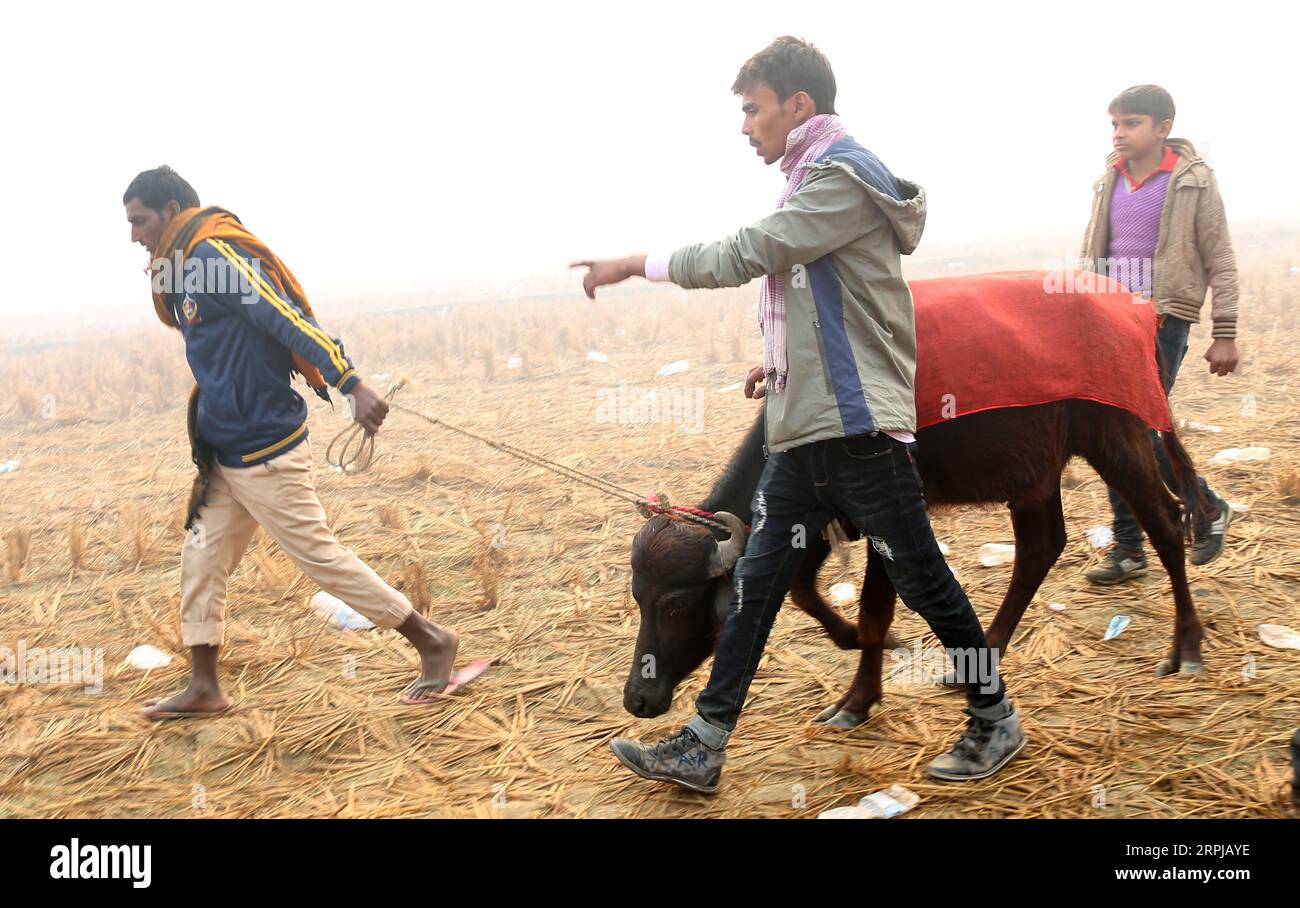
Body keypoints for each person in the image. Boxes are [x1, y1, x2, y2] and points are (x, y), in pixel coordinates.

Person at [573, 37, 1022, 793]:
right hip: (803, 433)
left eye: (753, 109)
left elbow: (755, 251)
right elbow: (826, 299)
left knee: (923, 579)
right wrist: (781, 365)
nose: (745, 126)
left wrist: (637, 265)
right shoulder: (813, 177)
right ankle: (704, 744)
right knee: (753, 585)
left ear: (798, 105)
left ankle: (994, 717)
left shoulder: (841, 178)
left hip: (855, 434)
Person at [123, 165, 469, 719]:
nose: (134, 234)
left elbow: (286, 318)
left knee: (319, 557)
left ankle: (431, 639)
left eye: (139, 221)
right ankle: (205, 687)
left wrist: (349, 382)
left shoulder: (213, 258)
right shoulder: (183, 267)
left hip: (266, 447)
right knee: (202, 558)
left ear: (169, 211)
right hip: (222, 452)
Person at [1079, 85, 1239, 585]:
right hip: (1108, 321)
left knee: (1139, 433)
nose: (1119, 133)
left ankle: (1206, 507)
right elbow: (1094, 247)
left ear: (1163, 127)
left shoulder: (1191, 181)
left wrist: (1225, 332)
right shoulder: (1110, 178)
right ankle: (1129, 549)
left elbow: (1221, 256)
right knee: (1112, 432)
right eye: (1114, 124)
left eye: (1130, 123)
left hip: (1162, 322)